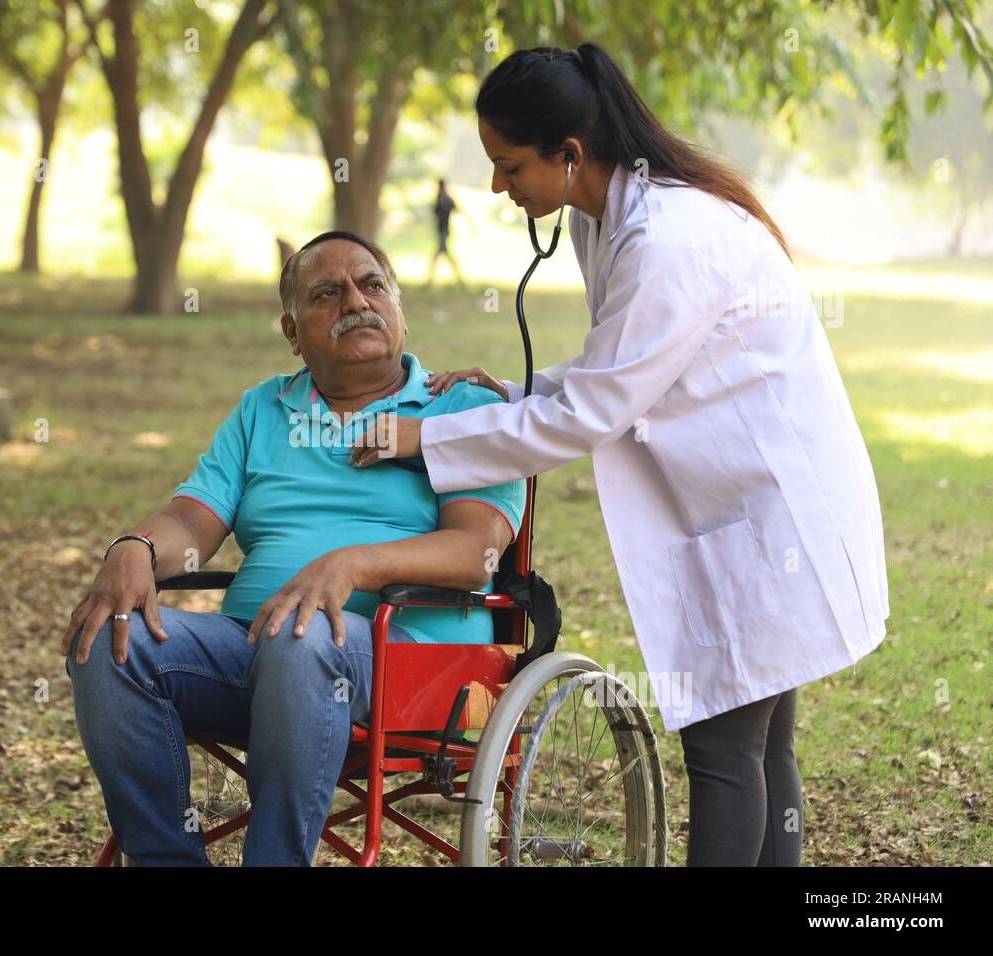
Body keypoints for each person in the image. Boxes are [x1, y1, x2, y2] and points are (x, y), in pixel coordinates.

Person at [349, 44, 890, 866]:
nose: (498, 187)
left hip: (770, 518)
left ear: (569, 155)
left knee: (725, 754)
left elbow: (594, 411)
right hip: (744, 506)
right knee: (758, 749)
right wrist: (509, 390)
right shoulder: (606, 220)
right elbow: (625, 365)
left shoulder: (668, 239)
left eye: (509, 165)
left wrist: (430, 435)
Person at [62, 230, 525, 866]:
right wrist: (135, 547)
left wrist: (354, 564)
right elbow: (191, 522)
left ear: (399, 308)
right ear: (292, 330)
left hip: (408, 661)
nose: (357, 302)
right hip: (254, 649)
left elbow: (477, 554)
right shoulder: (263, 409)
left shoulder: (462, 409)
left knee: (303, 634)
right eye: (327, 294)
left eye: (373, 284)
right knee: (112, 641)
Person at [426, 178, 468, 291]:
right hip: (442, 231)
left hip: (443, 231)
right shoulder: (441, 198)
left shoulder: (444, 199)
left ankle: (430, 281)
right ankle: (460, 281)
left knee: (441, 256)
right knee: (445, 256)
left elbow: (456, 210)